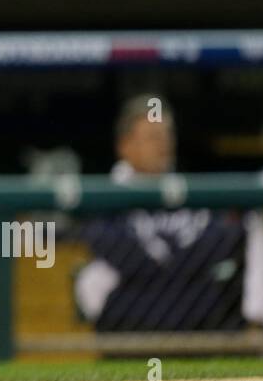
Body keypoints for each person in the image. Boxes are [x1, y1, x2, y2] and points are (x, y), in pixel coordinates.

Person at [75, 95, 244, 332]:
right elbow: (117, 250)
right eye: (153, 137)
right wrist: (181, 266)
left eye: (167, 135)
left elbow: (220, 241)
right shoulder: (105, 196)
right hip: (129, 326)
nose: (163, 144)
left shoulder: (190, 192)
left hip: (196, 325)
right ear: (125, 146)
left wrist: (163, 266)